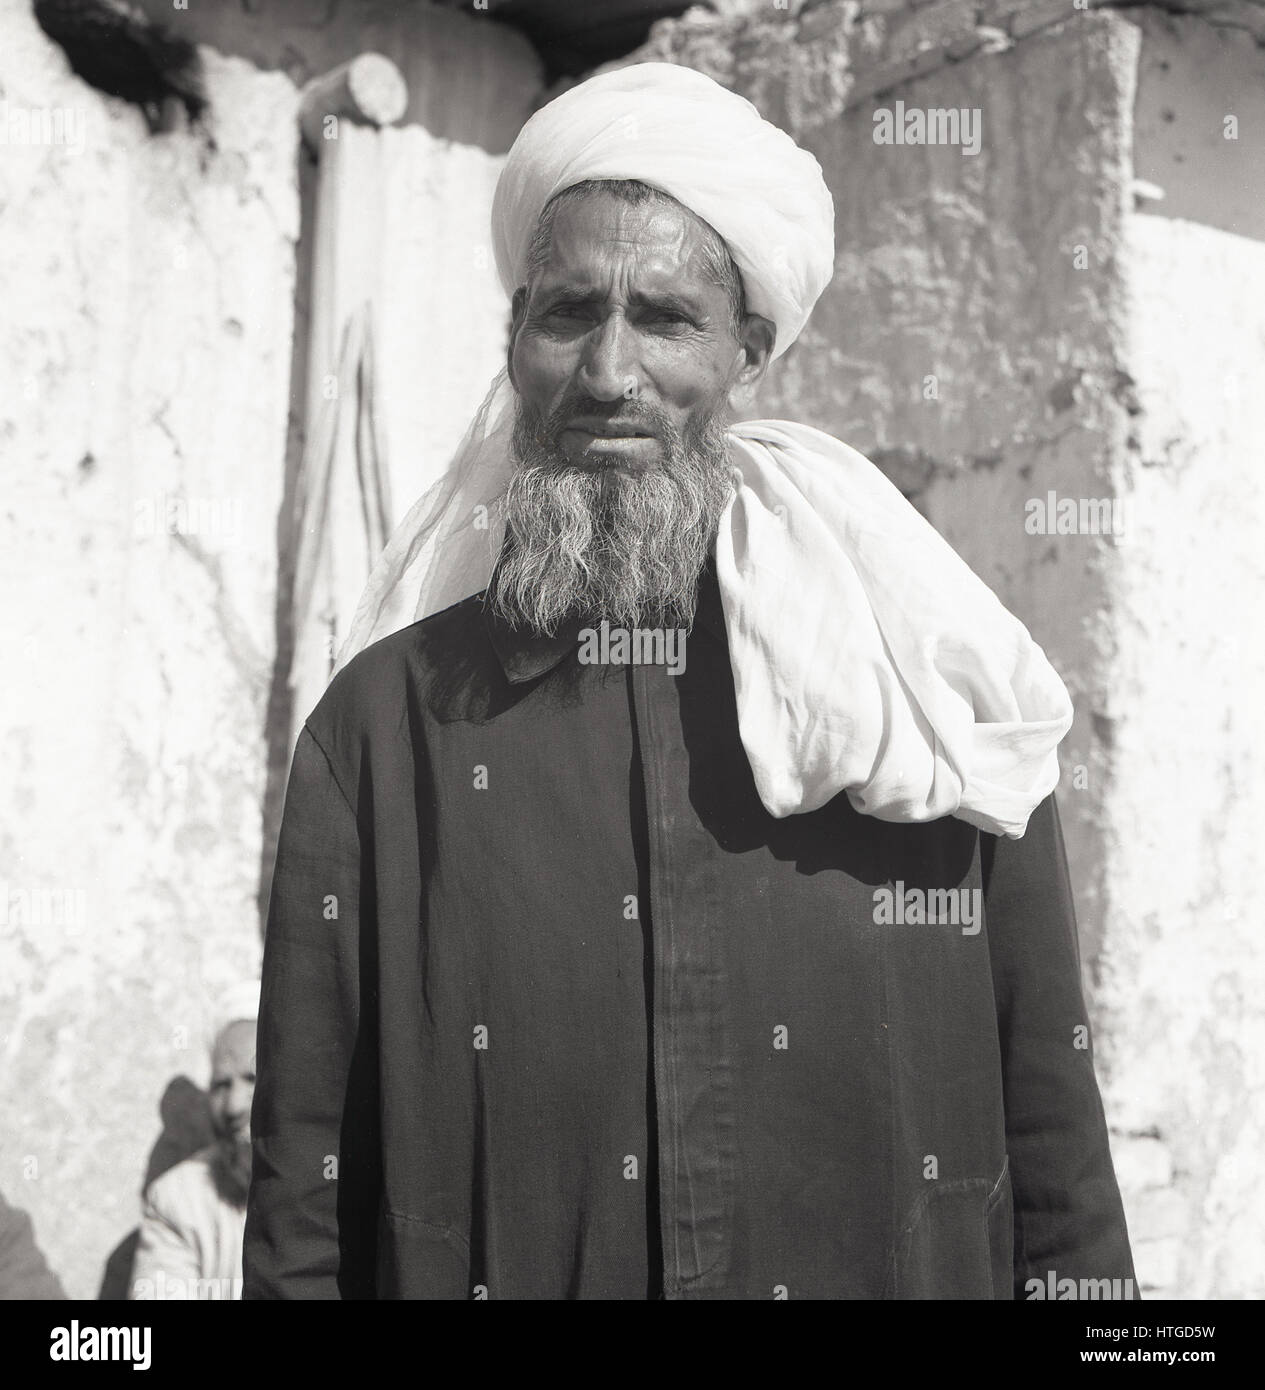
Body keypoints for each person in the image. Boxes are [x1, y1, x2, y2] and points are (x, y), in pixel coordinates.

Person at [244, 63, 1135, 1300]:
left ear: (746, 351)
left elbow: (1056, 1159)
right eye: (565, 314)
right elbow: (305, 1202)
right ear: (513, 340)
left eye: (664, 318)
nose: (608, 371)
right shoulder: (383, 735)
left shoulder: (923, 687)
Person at [131, 982, 257, 1300]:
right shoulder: (178, 1200)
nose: (234, 1106)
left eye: (253, 1079)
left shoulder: (343, 1181)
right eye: (221, 1085)